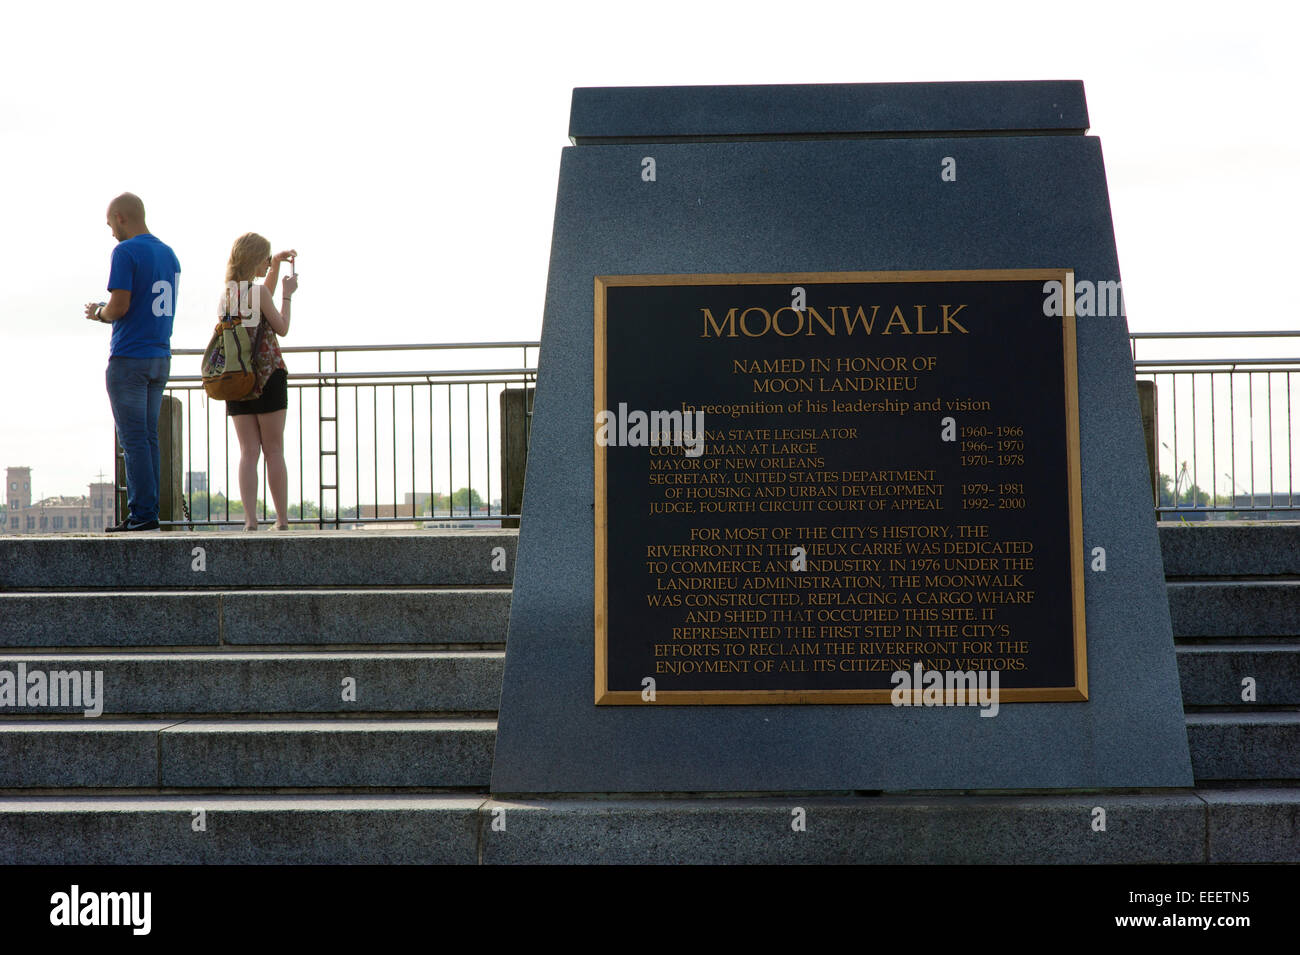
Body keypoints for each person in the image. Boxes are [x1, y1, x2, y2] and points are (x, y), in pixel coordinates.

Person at [85, 193, 181, 532]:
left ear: (122, 218)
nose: (111, 232)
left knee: (134, 439)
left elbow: (120, 306)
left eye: (111, 224)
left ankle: (142, 514)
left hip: (130, 358)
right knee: (149, 437)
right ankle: (148, 512)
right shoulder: (168, 254)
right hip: (159, 356)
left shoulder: (125, 252)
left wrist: (99, 312)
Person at [221, 233, 298, 530]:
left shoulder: (228, 293)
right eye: (265, 259)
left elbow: (258, 300)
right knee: (274, 450)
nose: (267, 264)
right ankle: (281, 520)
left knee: (248, 452)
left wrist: (276, 266)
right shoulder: (259, 294)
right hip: (268, 375)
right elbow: (281, 326)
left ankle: (250, 520)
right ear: (254, 259)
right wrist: (288, 294)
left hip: (237, 379)